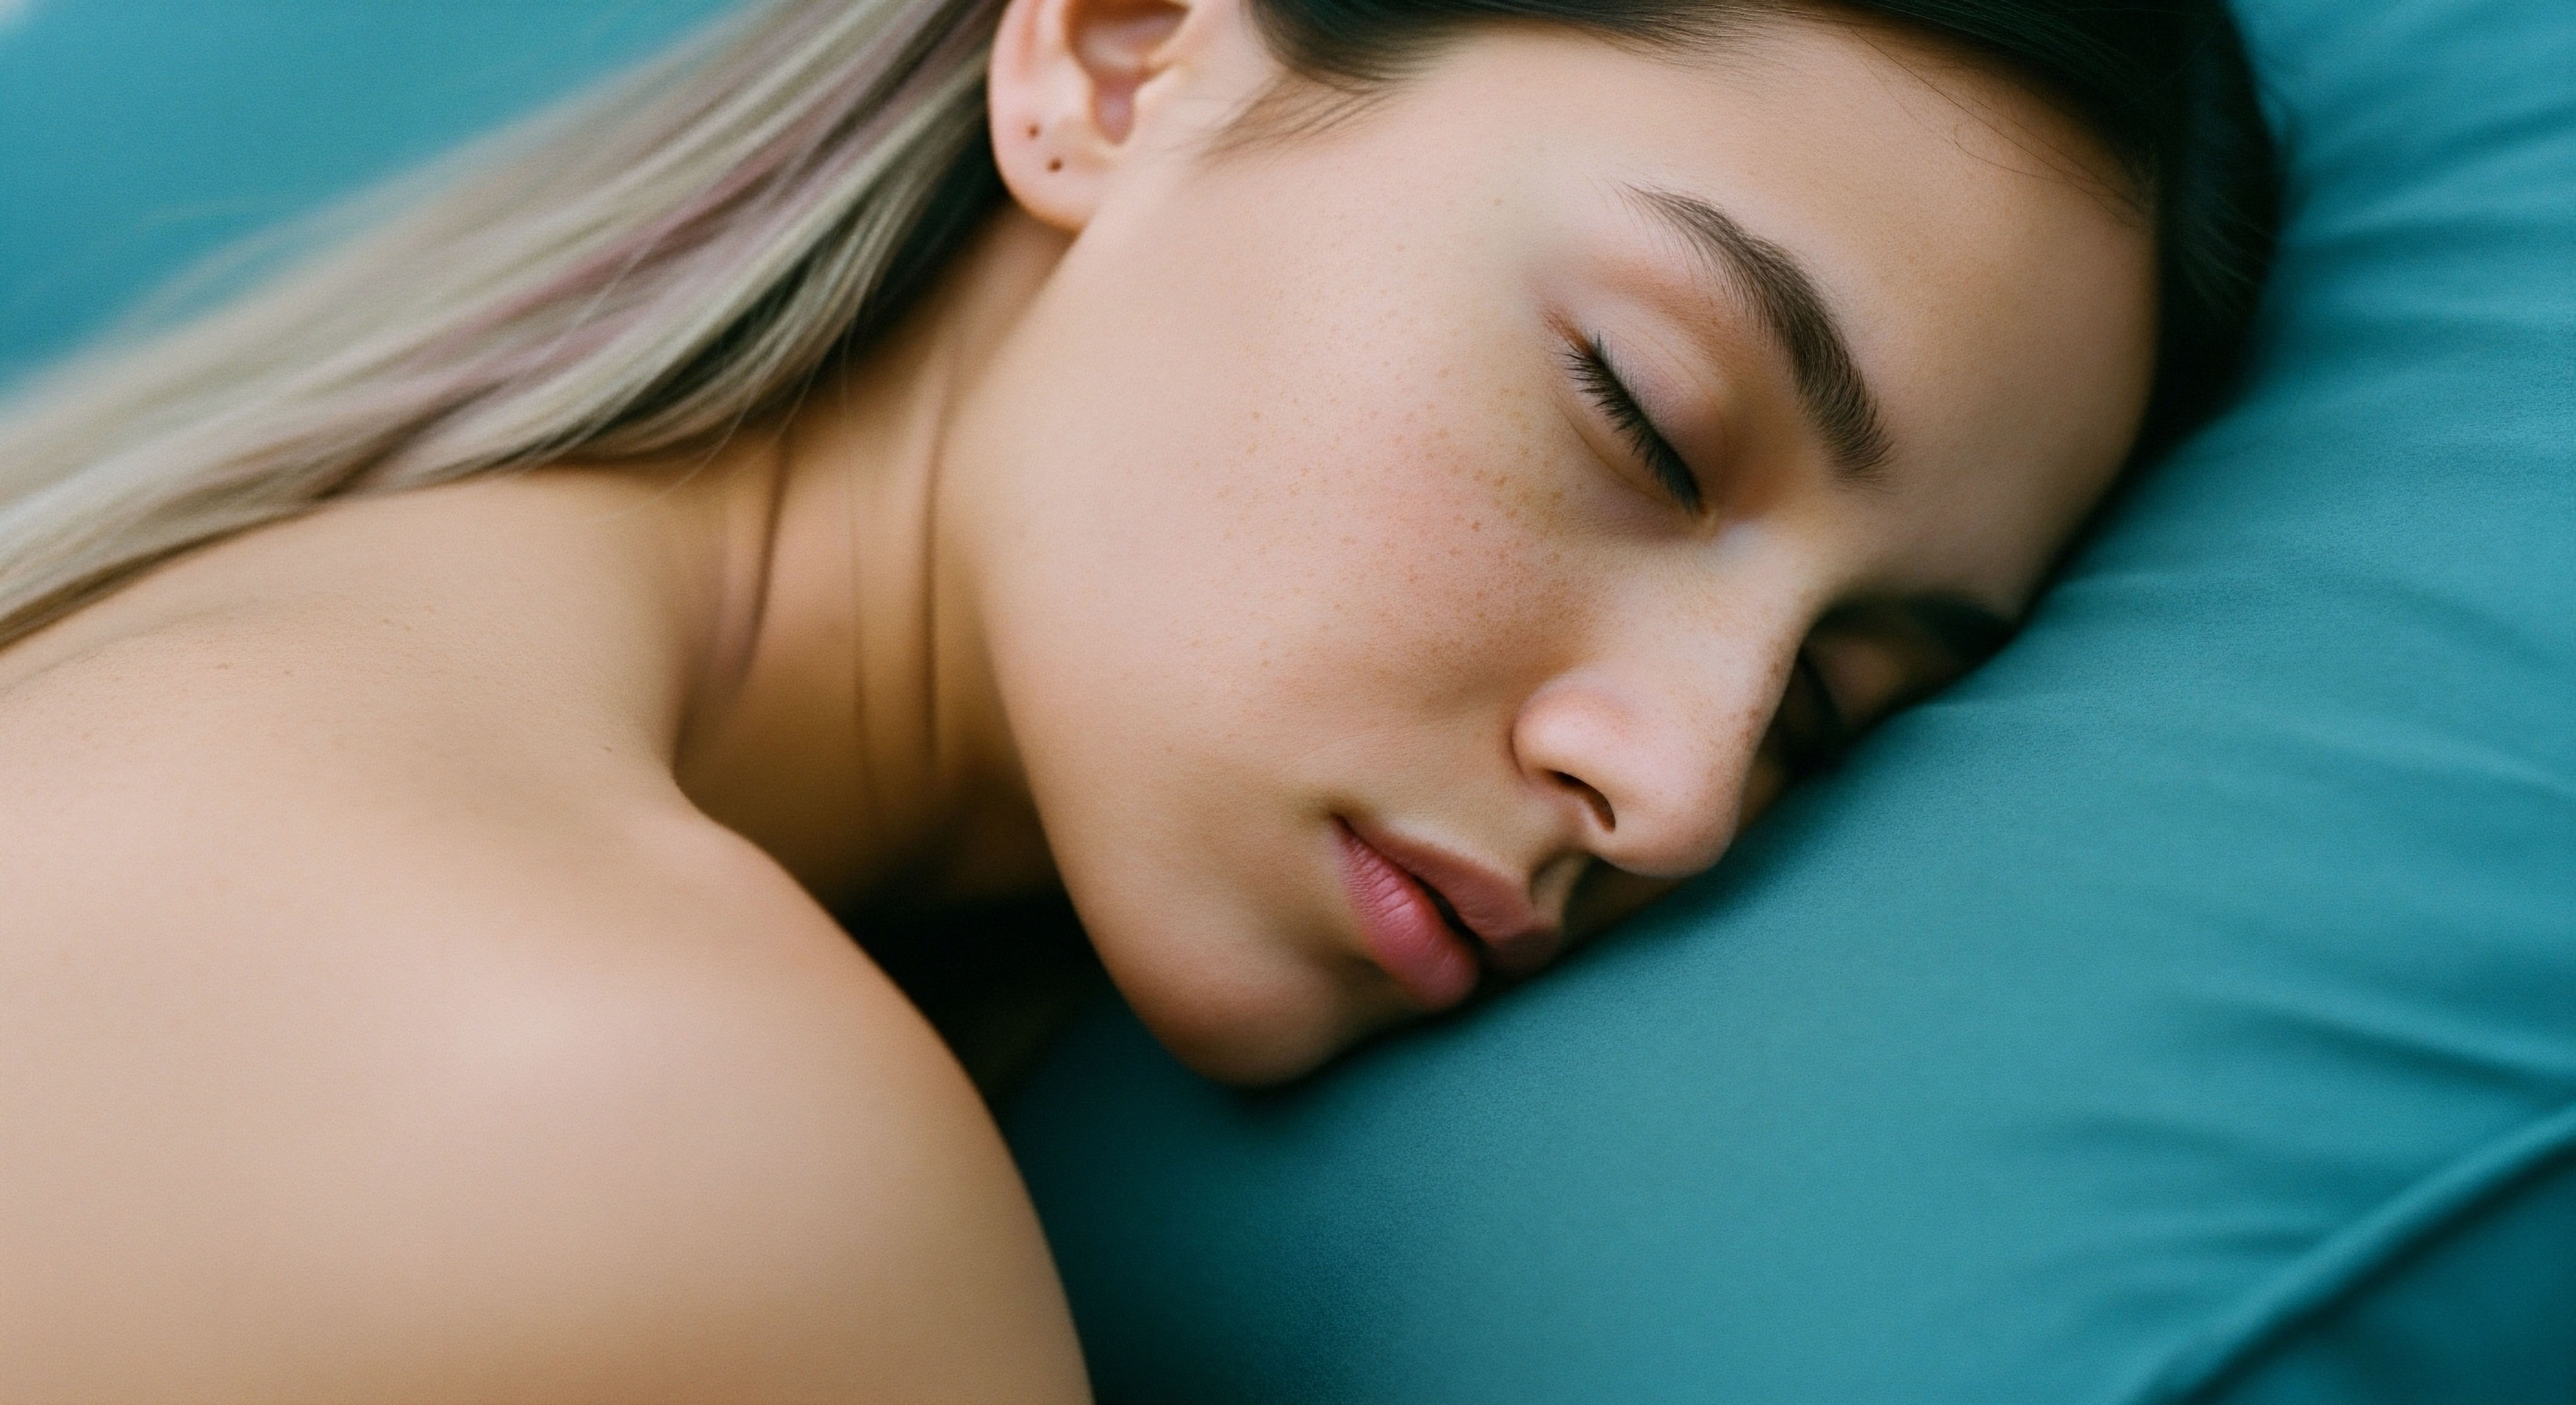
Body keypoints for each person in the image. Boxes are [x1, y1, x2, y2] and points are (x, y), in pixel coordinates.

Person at [0, 0, 2274, 1395]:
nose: (1674, 792)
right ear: (1121, 58)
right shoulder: (652, 1127)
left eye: (1825, 713)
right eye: (1649, 416)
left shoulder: (228, 637)